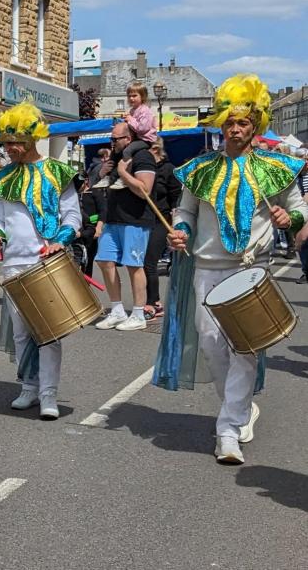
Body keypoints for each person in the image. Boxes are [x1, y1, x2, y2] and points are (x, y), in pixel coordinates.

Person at [156, 73, 306, 465]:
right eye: (230, 122)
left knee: (245, 347)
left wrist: (288, 217)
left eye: (243, 123)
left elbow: (300, 206)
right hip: (207, 267)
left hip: (252, 269)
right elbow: (185, 211)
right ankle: (238, 409)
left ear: (255, 126)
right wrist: (181, 232)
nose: (235, 129)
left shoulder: (274, 168)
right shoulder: (199, 169)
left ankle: (228, 429)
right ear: (221, 125)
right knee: (211, 343)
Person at [0, 102, 81, 420]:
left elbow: (73, 217)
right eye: (6, 142)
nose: (10, 148)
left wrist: (58, 243)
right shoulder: (3, 179)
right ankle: (29, 388)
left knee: (47, 331)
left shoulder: (56, 172)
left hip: (45, 264)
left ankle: (49, 394)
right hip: (13, 265)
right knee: (21, 333)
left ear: (33, 139)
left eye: (16, 141)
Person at [93, 119, 158, 332]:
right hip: (113, 218)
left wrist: (123, 173)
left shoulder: (143, 156)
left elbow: (145, 190)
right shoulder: (116, 158)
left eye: (115, 139)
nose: (111, 143)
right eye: (110, 139)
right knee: (104, 261)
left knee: (133, 265)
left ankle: (138, 313)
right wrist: (104, 172)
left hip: (135, 219)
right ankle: (117, 309)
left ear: (128, 138)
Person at [142, 140, 181, 319]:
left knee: (150, 261)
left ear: (156, 149)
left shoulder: (168, 169)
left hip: (162, 220)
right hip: (144, 219)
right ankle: (149, 299)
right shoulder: (142, 168)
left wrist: (174, 224)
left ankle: (154, 303)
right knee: (141, 262)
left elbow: (176, 199)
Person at [97, 82, 158, 189]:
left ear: (142, 96)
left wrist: (130, 120)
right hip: (137, 138)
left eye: (134, 96)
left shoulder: (145, 111)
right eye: (129, 96)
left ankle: (125, 177)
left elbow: (142, 128)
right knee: (115, 152)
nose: (131, 98)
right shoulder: (133, 111)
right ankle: (108, 177)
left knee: (127, 151)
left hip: (145, 140)